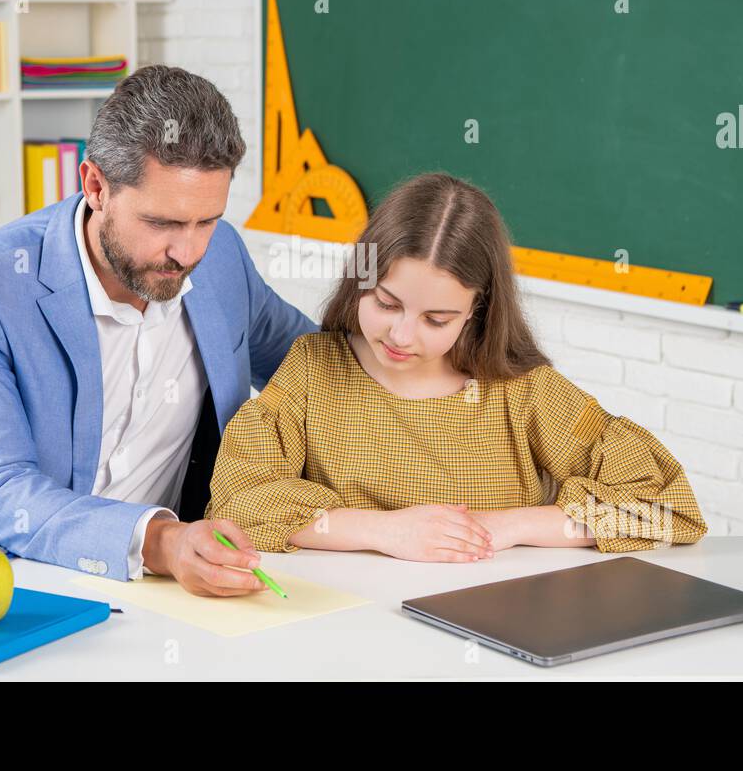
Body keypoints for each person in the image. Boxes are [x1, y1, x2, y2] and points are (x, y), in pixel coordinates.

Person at [0, 66, 315, 596]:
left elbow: (316, 365)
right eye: (161, 223)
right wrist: (160, 541)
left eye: (206, 221)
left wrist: (429, 345)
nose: (188, 253)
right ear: (96, 187)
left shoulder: (221, 257)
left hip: (154, 598)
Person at [206, 172, 708, 561]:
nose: (401, 336)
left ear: (477, 312)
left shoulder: (523, 392)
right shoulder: (312, 372)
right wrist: (387, 531)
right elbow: (237, 502)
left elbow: (667, 510)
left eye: (436, 319)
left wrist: (507, 526)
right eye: (385, 303)